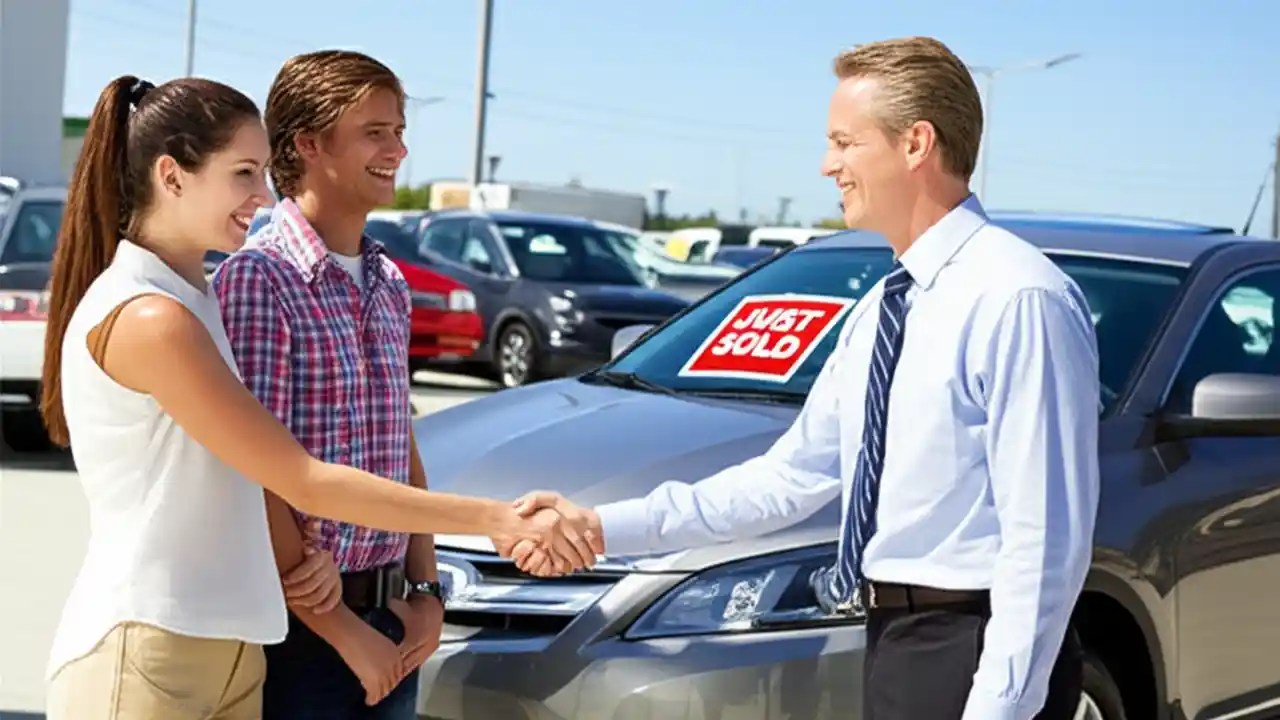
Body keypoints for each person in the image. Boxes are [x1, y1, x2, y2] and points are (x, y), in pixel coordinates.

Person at [508, 36, 1101, 720]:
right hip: (896, 643)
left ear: (916, 144)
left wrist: (999, 708)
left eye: (845, 143)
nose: (828, 166)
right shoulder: (886, 307)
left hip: (974, 649)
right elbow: (786, 480)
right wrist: (597, 526)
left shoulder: (1018, 298)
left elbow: (1046, 544)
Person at [38, 74, 595, 720]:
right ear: (172, 175)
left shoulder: (194, 298)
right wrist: (499, 520)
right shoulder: (151, 318)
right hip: (148, 650)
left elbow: (239, 479)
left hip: (232, 647)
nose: (262, 194)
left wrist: (325, 570)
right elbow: (301, 476)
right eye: (244, 173)